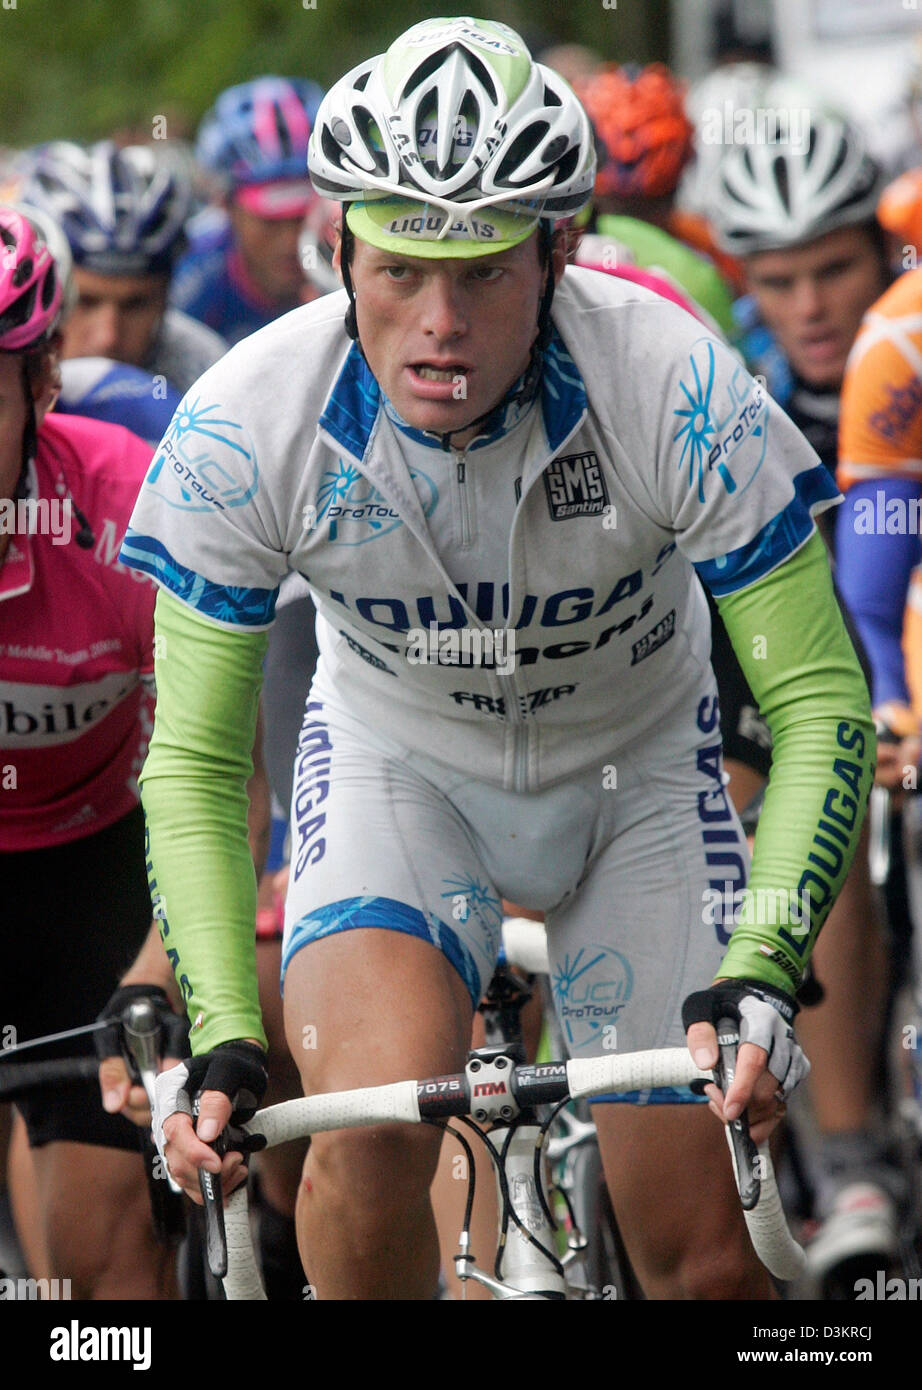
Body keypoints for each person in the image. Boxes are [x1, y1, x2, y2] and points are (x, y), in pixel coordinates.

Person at [124, 16, 872, 1300]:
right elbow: (191, 765)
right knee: (357, 1129)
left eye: (481, 273)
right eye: (402, 268)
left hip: (637, 775)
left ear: (557, 252)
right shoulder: (248, 425)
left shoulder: (671, 383)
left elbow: (816, 699)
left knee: (702, 1258)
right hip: (399, 771)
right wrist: (224, 1032)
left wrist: (762, 954)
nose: (439, 322)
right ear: (343, 246)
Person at [710, 113, 902, 1291]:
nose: (811, 304)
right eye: (776, 282)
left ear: (879, 254)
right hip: (787, 662)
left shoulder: (912, 351)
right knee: (774, 822)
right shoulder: (730, 392)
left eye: (831, 268)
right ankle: (841, 1158)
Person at [0, 205, 175, 1298]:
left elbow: (228, 768)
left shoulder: (125, 501)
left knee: (101, 1266)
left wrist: (162, 963)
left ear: (43, 381)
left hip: (96, 872)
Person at [18, 140, 226, 393]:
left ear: (167, 296)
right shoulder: (7, 365)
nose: (108, 337)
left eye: (136, 305)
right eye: (84, 301)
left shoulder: (208, 373)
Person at [170, 77, 326, 345]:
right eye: (269, 222)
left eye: (302, 218)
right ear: (225, 206)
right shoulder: (188, 279)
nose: (291, 242)